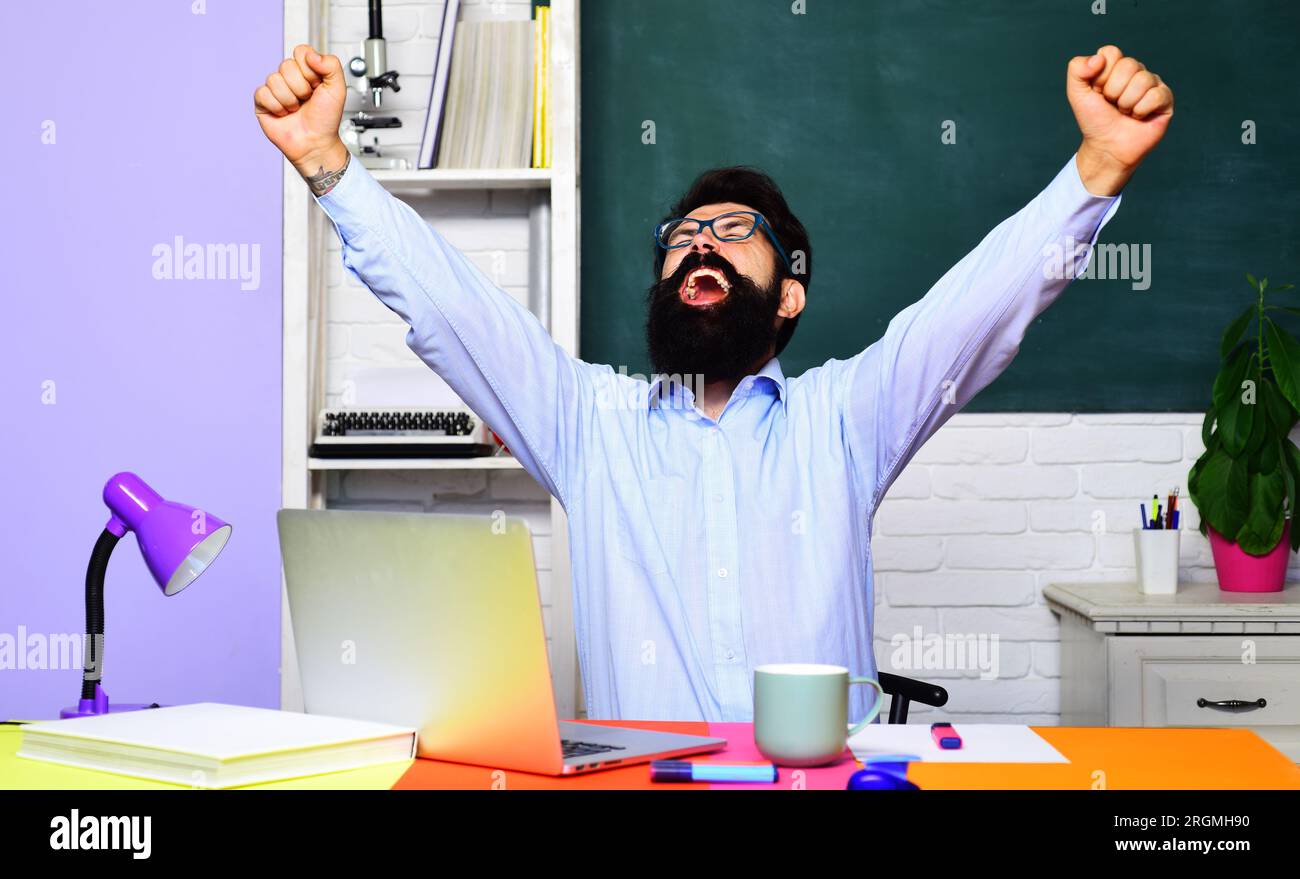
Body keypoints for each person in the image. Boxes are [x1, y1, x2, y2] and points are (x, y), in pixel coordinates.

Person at [254, 44, 1173, 722]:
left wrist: (1097, 170)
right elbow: (453, 310)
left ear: (789, 295)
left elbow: (976, 309)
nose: (699, 242)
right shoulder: (590, 422)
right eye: (682, 236)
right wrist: (331, 167)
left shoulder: (846, 418)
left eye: (735, 232)